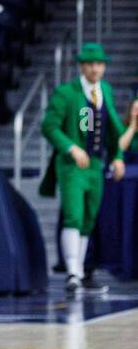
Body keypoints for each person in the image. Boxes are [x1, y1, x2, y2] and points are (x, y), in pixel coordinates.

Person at [40, 42, 129, 293]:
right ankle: (72, 272)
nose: (95, 69)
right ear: (82, 66)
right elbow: (49, 126)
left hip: (96, 164)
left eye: (99, 64)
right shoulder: (67, 93)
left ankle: (80, 269)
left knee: (89, 217)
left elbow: (109, 128)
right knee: (74, 215)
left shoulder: (105, 91)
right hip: (72, 165)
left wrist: (117, 156)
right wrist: (71, 147)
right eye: (90, 64)